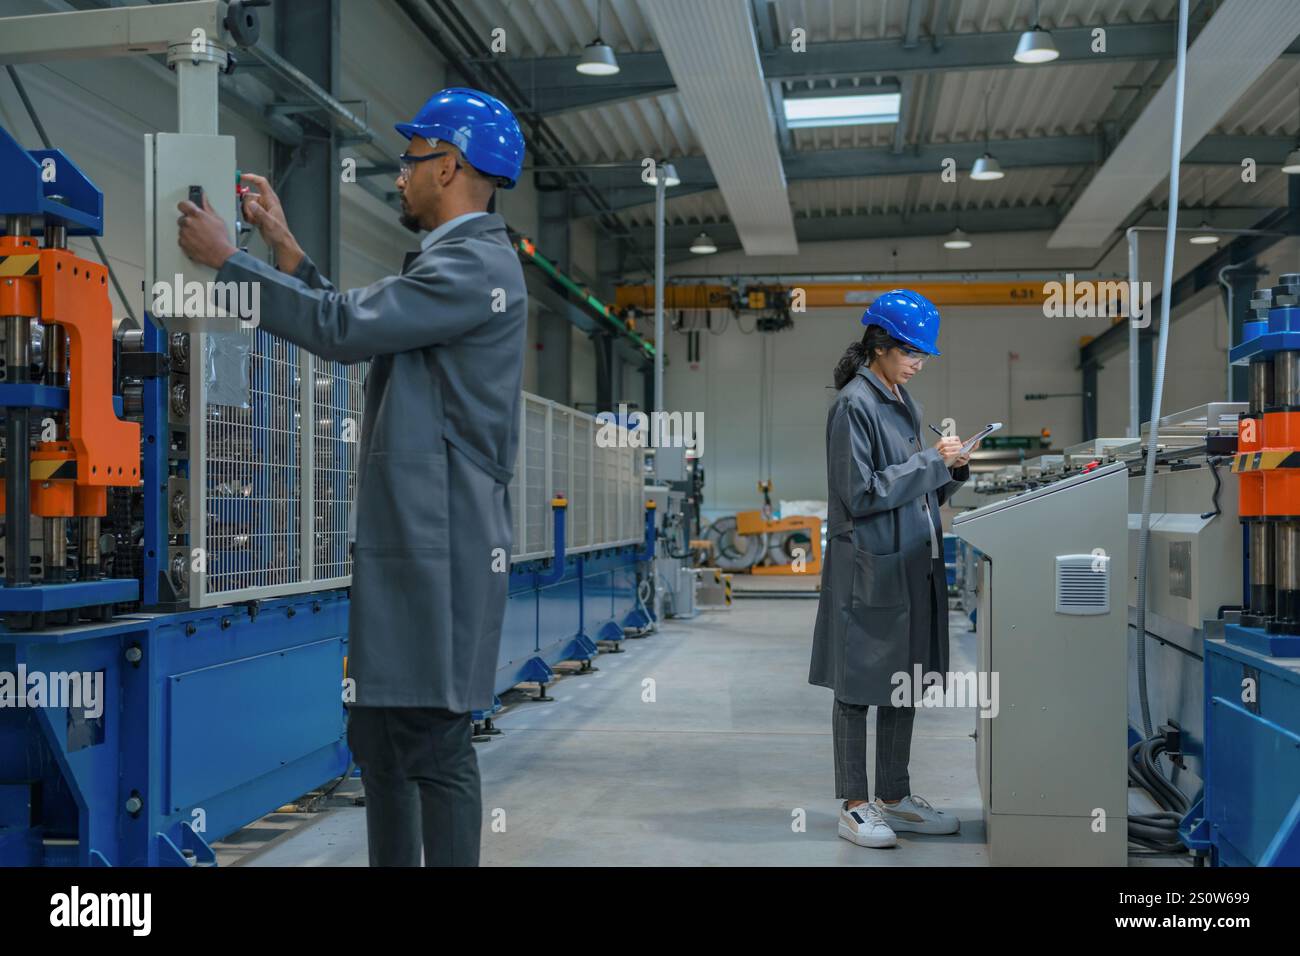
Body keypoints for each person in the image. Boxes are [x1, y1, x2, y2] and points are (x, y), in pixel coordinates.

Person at [176, 87, 527, 866]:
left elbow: (340, 330)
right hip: (411, 544)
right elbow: (352, 314)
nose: (399, 175)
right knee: (383, 744)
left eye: (411, 159)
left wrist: (226, 261)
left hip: (443, 550)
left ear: (453, 167)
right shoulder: (452, 267)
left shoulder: (476, 266)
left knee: (432, 745)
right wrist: (285, 249)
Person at [808, 290, 976, 849]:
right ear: (879, 346)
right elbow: (860, 492)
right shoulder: (854, 406)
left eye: (923, 356)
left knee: (903, 679)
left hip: (908, 562)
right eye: (911, 352)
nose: (918, 362)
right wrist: (934, 462)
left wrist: (955, 469)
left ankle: (896, 797)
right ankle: (856, 805)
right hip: (868, 565)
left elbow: (917, 487)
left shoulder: (903, 399)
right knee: (858, 684)